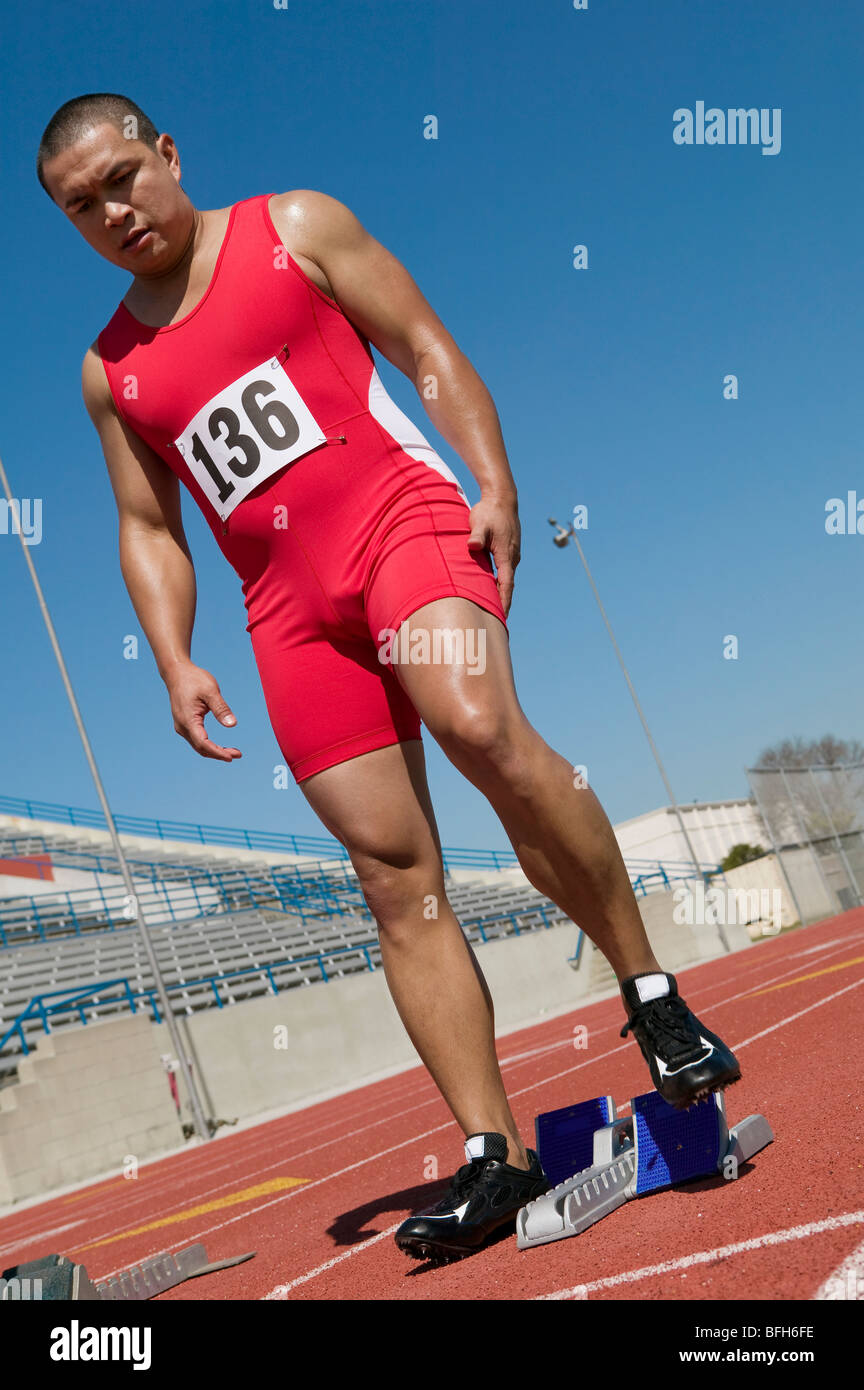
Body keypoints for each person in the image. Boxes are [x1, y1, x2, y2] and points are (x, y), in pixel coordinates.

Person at [38, 93, 741, 1263]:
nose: (114, 211)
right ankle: (496, 1154)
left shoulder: (295, 226)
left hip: (400, 525)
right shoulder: (112, 372)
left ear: (168, 153)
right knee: (391, 873)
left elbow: (427, 350)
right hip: (289, 615)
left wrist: (494, 477)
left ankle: (651, 990)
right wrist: (172, 658)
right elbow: (147, 527)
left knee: (480, 729)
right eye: (82, 206)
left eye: (123, 177)